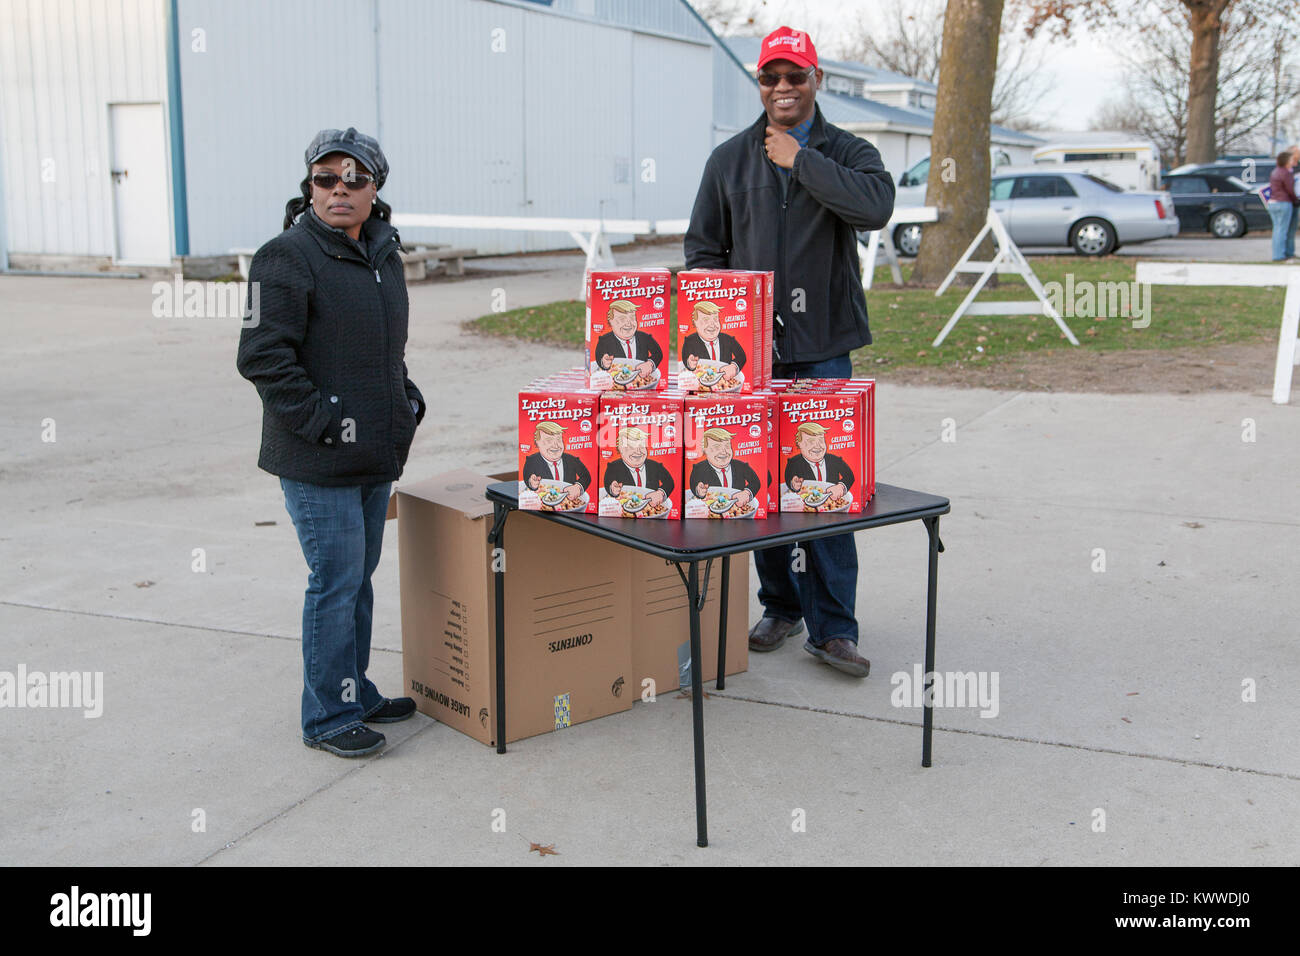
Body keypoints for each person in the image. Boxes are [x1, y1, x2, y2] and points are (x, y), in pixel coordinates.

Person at [685, 25, 894, 678]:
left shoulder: (848, 152)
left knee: (825, 490)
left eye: (795, 76)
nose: (783, 87)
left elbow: (876, 208)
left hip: (824, 348)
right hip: (749, 358)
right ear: (759, 83)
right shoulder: (728, 161)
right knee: (759, 487)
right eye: (770, 77)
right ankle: (781, 606)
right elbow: (703, 250)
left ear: (815, 80)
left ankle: (834, 629)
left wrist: (800, 161)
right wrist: (723, 324)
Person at [237, 127, 425, 757]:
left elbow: (387, 348)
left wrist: (405, 400)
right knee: (336, 581)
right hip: (317, 455)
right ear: (309, 186)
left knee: (359, 580)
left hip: (375, 449)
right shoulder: (282, 257)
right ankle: (327, 716)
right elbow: (261, 356)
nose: (339, 189)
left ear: (375, 189)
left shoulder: (384, 255)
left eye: (354, 179)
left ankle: (354, 690)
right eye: (326, 178)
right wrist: (323, 421)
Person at [1266, 148, 1296, 261]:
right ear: (1286, 161)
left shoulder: (1275, 171)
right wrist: (1296, 199)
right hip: (1283, 202)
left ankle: (1278, 253)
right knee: (1282, 230)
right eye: (1291, 160)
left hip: (1272, 202)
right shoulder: (1286, 173)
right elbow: (1290, 189)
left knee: (1277, 229)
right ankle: (1279, 256)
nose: (1293, 162)